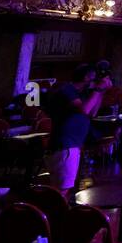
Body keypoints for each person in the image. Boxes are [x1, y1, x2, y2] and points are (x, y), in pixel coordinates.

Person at [44, 64, 106, 192]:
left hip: (72, 145)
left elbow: (92, 112)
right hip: (65, 146)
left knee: (63, 189)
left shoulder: (80, 93)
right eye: (93, 78)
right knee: (62, 190)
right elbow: (84, 109)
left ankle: (53, 211)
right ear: (85, 77)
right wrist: (98, 89)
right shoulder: (67, 89)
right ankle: (52, 212)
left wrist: (101, 92)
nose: (94, 81)